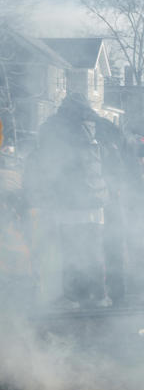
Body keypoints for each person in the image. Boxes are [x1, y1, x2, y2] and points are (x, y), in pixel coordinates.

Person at [27, 93, 110, 308]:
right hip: (95, 198)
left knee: (71, 250)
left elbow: (42, 160)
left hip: (67, 199)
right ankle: (99, 296)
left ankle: (73, 298)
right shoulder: (96, 124)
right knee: (94, 249)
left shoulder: (52, 126)